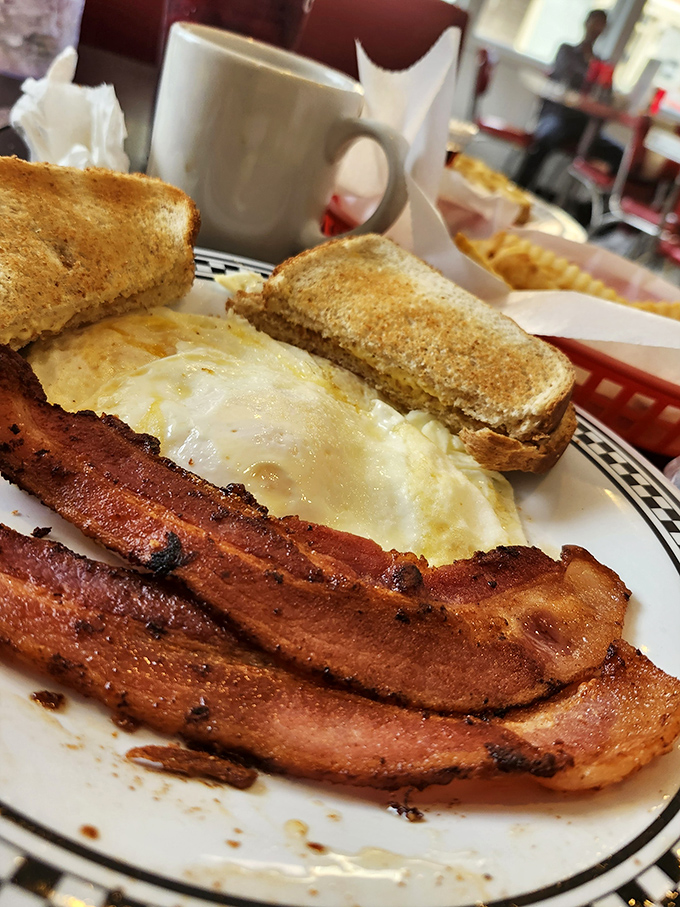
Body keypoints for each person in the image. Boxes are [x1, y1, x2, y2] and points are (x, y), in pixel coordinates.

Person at [514, 9, 623, 191]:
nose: (597, 27)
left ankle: (592, 209)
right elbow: (570, 78)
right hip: (558, 115)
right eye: (594, 22)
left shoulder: (602, 63)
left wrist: (603, 79)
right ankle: (519, 185)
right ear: (586, 23)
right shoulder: (567, 51)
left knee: (620, 155)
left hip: (583, 125)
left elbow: (606, 95)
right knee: (546, 137)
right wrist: (593, 73)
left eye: (601, 24)